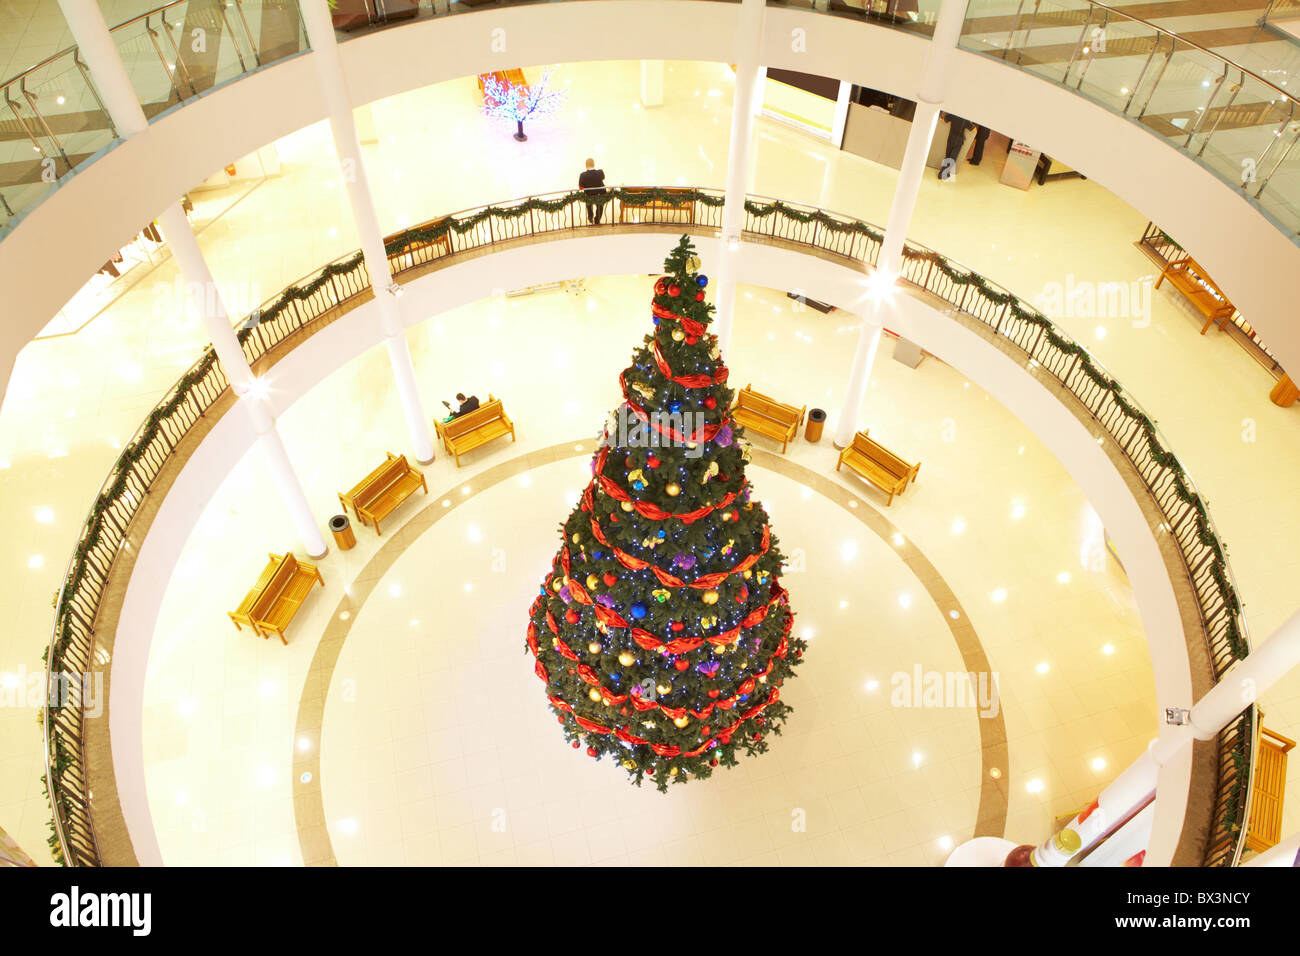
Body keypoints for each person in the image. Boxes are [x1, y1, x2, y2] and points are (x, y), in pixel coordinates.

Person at [939, 113, 974, 182]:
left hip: (951, 138)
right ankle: (943, 174)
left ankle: (943, 173)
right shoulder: (965, 120)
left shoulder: (953, 115)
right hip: (959, 140)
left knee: (948, 156)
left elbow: (943, 120)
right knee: (952, 158)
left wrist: (941, 117)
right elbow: (973, 129)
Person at [579, 158, 607, 224]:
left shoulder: (582, 175)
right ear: (594, 164)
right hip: (600, 194)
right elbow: (603, 178)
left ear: (586, 165)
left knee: (589, 205)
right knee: (600, 206)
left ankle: (590, 217)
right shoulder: (600, 172)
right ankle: (597, 219)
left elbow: (580, 187)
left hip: (589, 195)